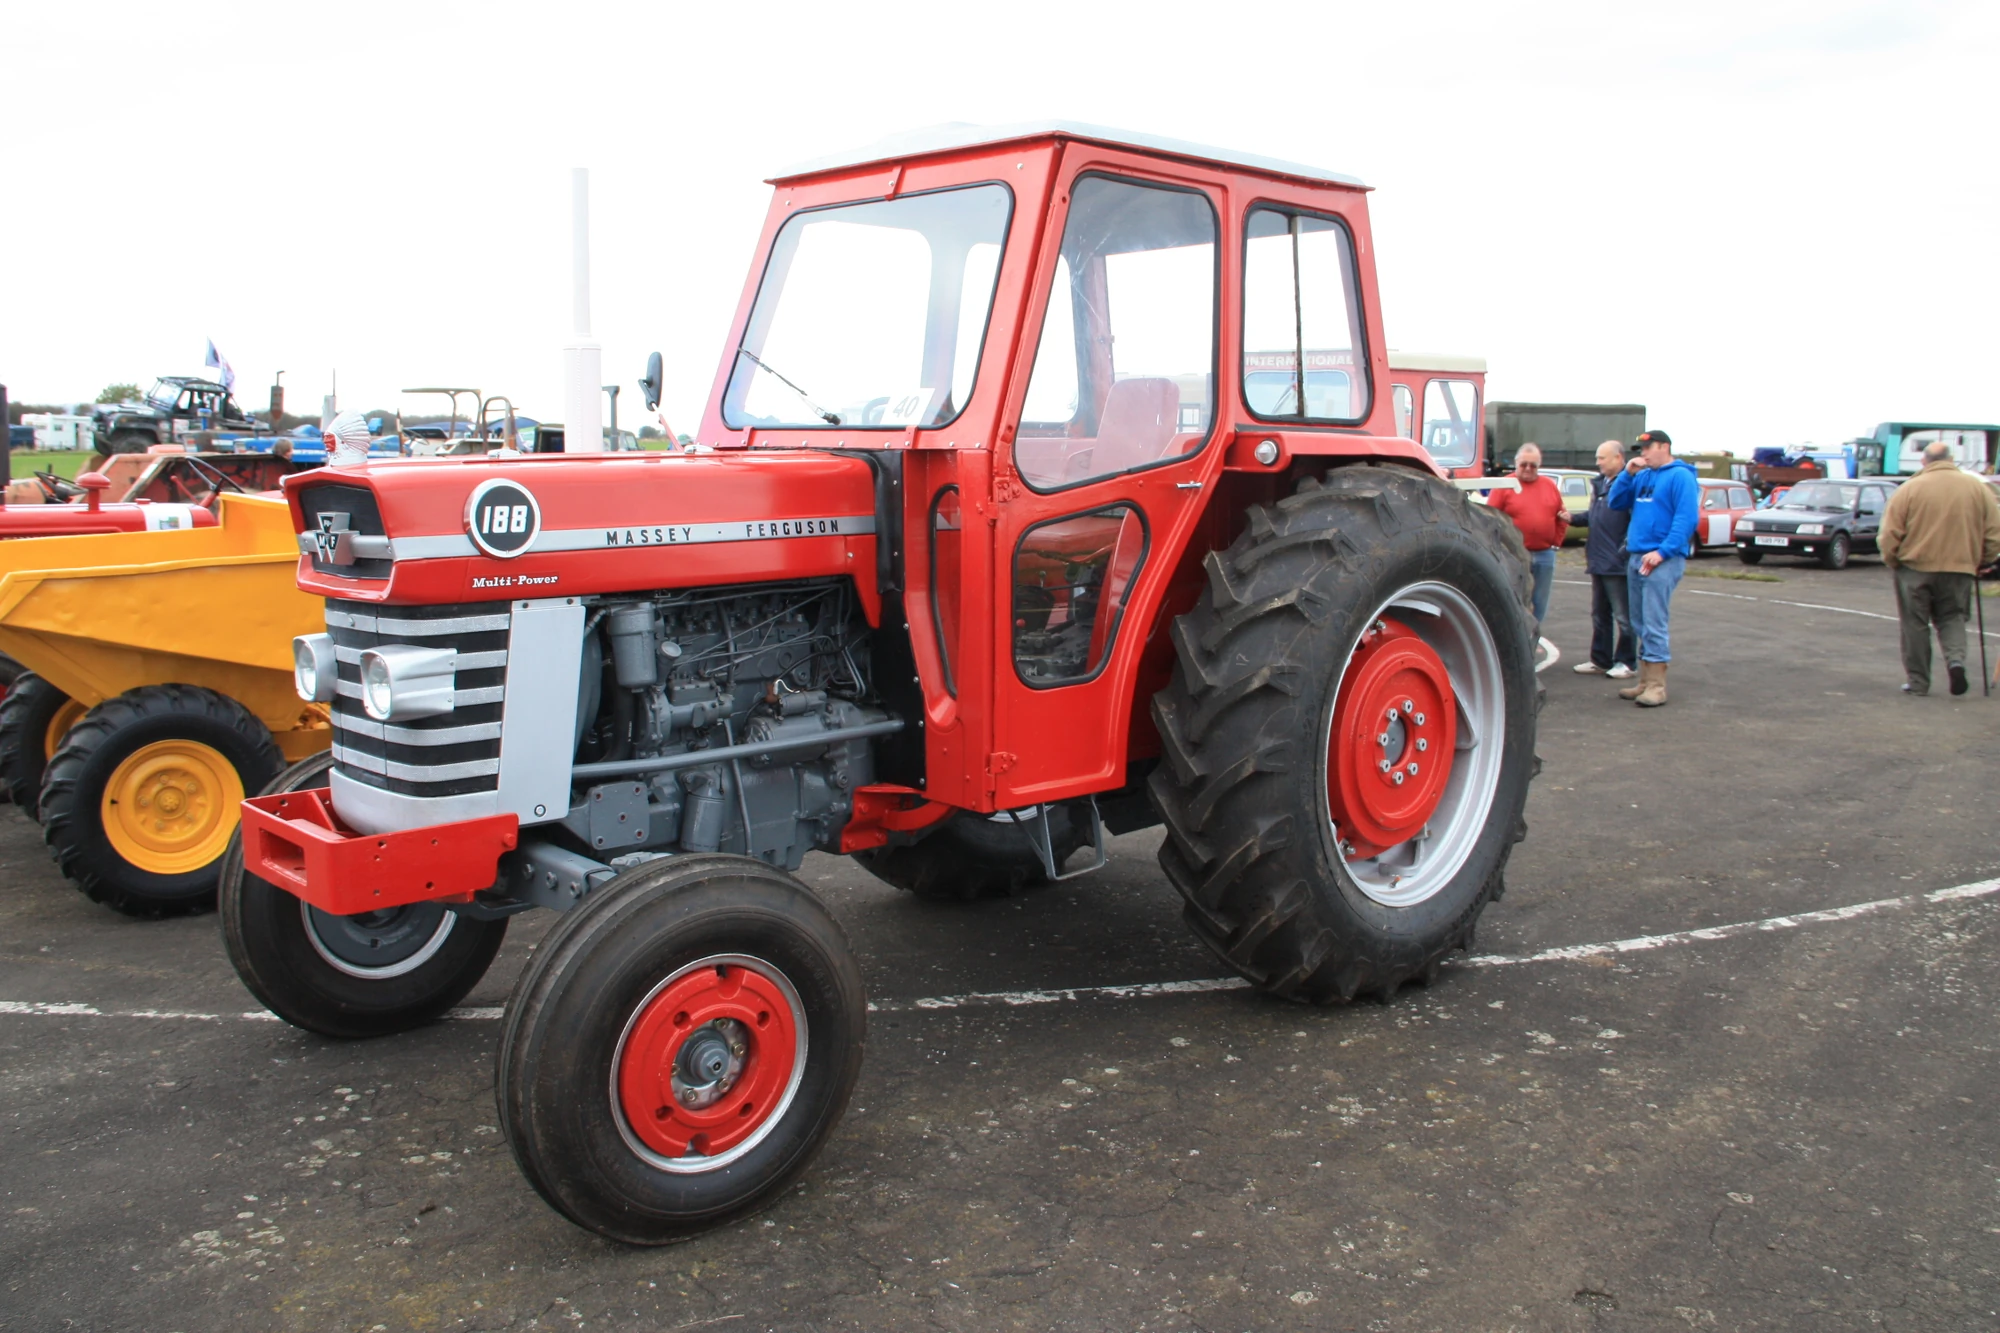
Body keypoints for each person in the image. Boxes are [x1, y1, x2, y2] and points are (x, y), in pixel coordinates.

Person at [1878, 439, 2000, 696]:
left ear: (1924, 461)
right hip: (1960, 567)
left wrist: (1892, 559)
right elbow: (1993, 531)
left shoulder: (1909, 489)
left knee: (1915, 624)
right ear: (1951, 459)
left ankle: (1919, 682)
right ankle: (1955, 661)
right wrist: (1983, 560)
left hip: (1914, 567)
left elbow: (1889, 533)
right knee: (1953, 617)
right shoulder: (1978, 489)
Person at [1607, 429, 1698, 707]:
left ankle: (1657, 686)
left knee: (1654, 621)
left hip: (1660, 559)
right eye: (1640, 449)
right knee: (1639, 621)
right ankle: (1645, 681)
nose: (1642, 453)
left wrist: (1663, 552)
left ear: (1664, 447)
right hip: (1637, 556)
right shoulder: (1643, 475)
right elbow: (1616, 502)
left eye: (1647, 448)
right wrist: (1627, 474)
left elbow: (1686, 519)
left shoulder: (1680, 476)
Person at [1569, 440, 1637, 679]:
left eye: (1602, 458)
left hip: (1617, 562)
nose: (1597, 463)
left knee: (1623, 616)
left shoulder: (1628, 484)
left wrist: (1624, 552)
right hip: (1598, 559)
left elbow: (1633, 521)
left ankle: (1626, 662)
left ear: (1619, 458)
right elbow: (1596, 516)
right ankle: (1600, 659)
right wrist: (1573, 519)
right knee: (1599, 614)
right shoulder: (1600, 485)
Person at [1487, 443, 1569, 639]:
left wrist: (1556, 541)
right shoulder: (1504, 486)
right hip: (1513, 555)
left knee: (1539, 602)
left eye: (1533, 465)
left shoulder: (1549, 486)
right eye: (1524, 464)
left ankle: (1533, 640)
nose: (1528, 469)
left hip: (1544, 553)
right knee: (1513, 600)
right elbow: (1489, 518)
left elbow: (1562, 515)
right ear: (1516, 464)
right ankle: (1513, 640)